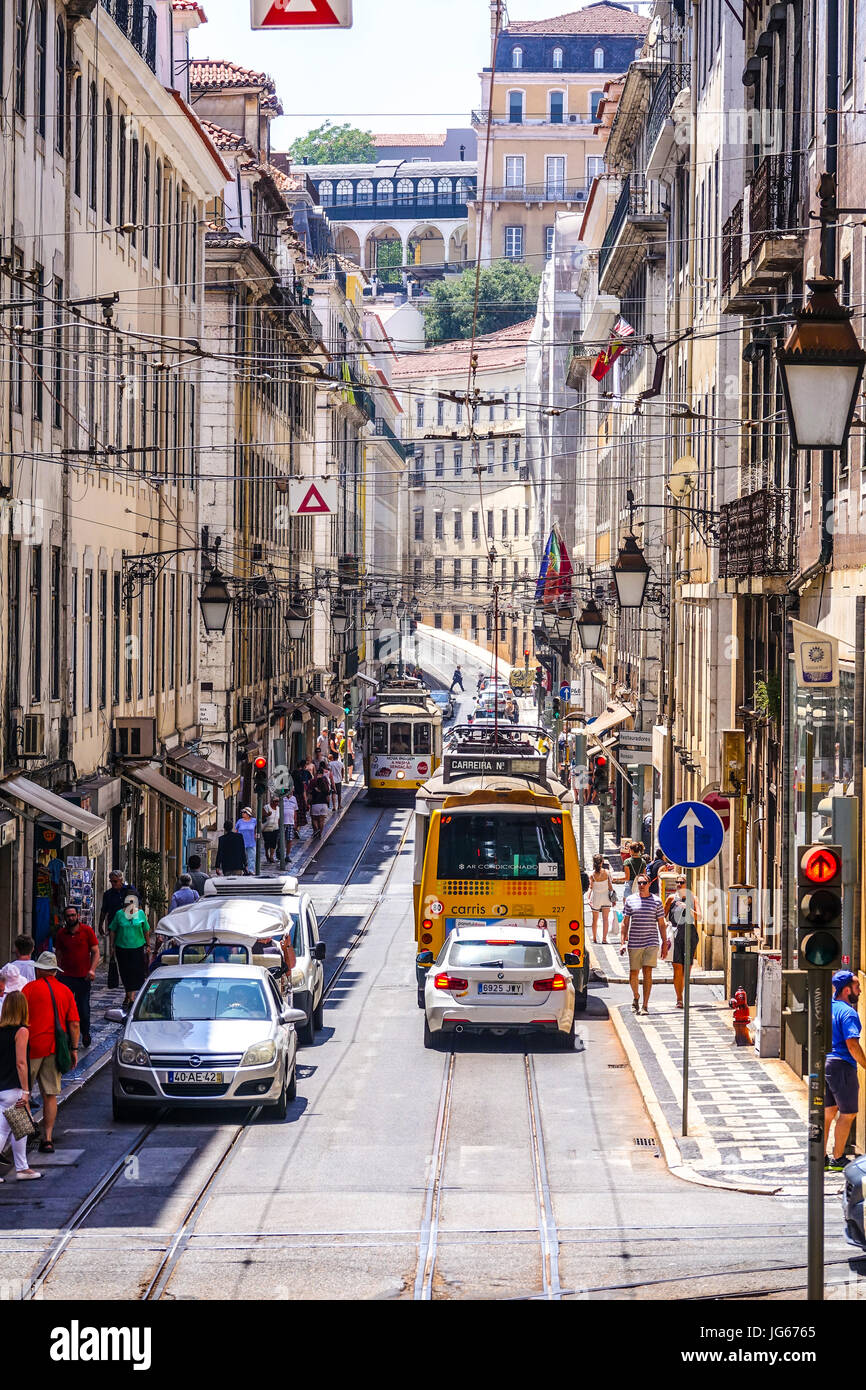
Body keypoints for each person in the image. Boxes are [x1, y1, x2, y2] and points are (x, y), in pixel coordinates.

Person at [22, 952, 80, 1154]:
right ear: (55, 971)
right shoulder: (65, 991)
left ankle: (26, 1132)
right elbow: (74, 1024)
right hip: (55, 1048)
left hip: (30, 1048)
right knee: (50, 1094)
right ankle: (47, 1139)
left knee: (21, 1093)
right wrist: (74, 1049)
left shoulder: (28, 989)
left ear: (39, 969)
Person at [825, 970, 866, 1171]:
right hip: (842, 1065)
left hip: (826, 1063)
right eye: (857, 987)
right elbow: (852, 1044)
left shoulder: (829, 1008)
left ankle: (821, 1157)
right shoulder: (848, 1013)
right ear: (847, 990)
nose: (860, 991)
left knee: (828, 1112)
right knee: (848, 1113)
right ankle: (838, 1158)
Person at [0, 992, 41, 1180]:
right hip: (14, 1088)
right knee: (5, 1130)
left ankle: (22, 1168)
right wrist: (26, 1091)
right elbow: (21, 1063)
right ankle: (22, 1169)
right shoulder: (22, 1031)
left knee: (20, 1128)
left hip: (2, 1086)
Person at [620, 874, 667, 1016]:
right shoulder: (630, 900)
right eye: (639, 883)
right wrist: (622, 942)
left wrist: (664, 943)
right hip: (634, 942)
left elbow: (661, 924)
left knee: (648, 972)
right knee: (634, 973)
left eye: (644, 883)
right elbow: (625, 923)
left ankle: (645, 1005)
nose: (641, 885)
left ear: (649, 884)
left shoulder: (657, 902)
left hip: (651, 942)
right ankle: (636, 996)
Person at [53, 906, 100, 1048]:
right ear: (65, 918)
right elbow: (58, 954)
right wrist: (56, 972)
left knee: (83, 1008)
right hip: (65, 977)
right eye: (68, 916)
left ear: (78, 916)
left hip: (83, 977)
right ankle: (68, 1036)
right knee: (65, 1008)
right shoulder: (61, 934)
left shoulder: (87, 931)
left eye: (73, 915)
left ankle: (85, 1033)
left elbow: (95, 951)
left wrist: (92, 970)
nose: (71, 918)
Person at [107, 895, 151, 1013]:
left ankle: (131, 999)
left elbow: (146, 930)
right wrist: (111, 946)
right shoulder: (119, 914)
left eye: (133, 903)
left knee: (135, 972)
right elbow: (112, 930)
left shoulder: (140, 914)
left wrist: (148, 945)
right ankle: (129, 995)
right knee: (125, 973)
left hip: (137, 947)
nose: (130, 905)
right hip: (122, 948)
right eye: (128, 903)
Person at [664, 877, 701, 1007]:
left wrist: (688, 908)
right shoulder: (671, 899)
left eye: (682, 882)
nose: (679, 884)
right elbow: (662, 915)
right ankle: (679, 999)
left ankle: (682, 993)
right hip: (675, 936)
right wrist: (666, 925)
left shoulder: (693, 899)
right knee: (677, 967)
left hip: (690, 935)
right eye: (677, 882)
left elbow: (699, 917)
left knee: (686, 968)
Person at [98, 870, 138, 937]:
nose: (113, 883)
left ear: (121, 880)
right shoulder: (108, 894)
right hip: (114, 926)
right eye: (111, 881)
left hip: (129, 925)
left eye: (115, 881)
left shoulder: (130, 889)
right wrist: (100, 925)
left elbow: (138, 905)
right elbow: (104, 910)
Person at [588, 853, 616, 945]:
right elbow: (610, 886)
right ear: (602, 862)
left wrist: (588, 898)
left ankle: (594, 938)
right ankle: (604, 939)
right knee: (605, 919)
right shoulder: (607, 873)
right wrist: (613, 899)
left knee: (594, 920)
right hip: (606, 898)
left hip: (596, 898)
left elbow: (591, 887)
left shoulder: (592, 874)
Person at [234, 807, 258, 875]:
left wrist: (256, 834)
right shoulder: (239, 821)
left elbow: (257, 829)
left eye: (244, 812)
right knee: (241, 857)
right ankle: (242, 870)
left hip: (251, 842)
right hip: (241, 842)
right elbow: (236, 831)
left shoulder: (254, 820)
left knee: (251, 857)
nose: (242, 813)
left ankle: (251, 870)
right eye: (242, 812)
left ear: (248, 813)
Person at [310, 763, 332, 837]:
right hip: (324, 805)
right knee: (321, 820)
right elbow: (328, 797)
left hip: (315, 804)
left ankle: (316, 830)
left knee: (314, 819)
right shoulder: (325, 789)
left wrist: (309, 803)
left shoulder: (314, 789)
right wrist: (328, 804)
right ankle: (320, 834)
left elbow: (310, 797)